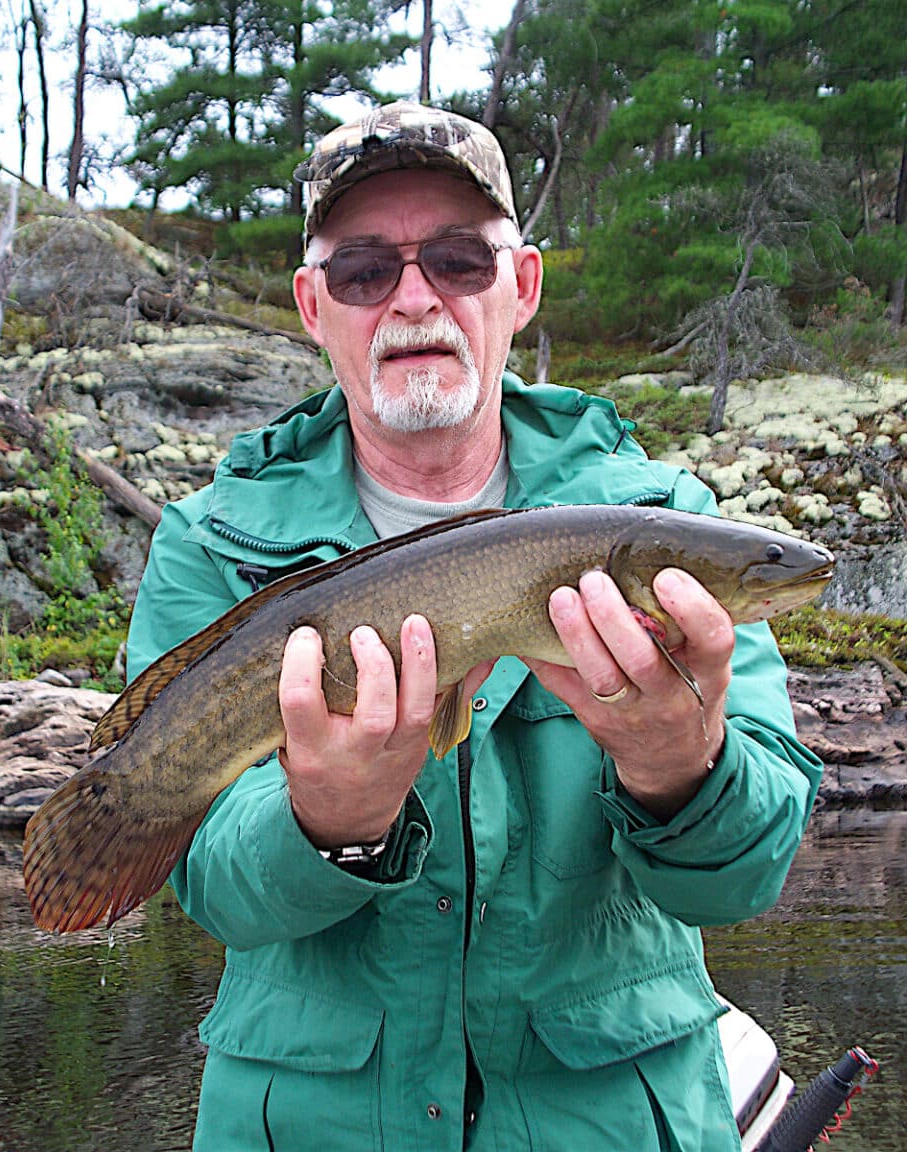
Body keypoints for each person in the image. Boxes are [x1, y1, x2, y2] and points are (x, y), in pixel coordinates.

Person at [124, 101, 822, 1151]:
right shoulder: (212, 543)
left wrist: (681, 766)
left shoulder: (667, 512)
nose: (414, 298)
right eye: (365, 271)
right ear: (313, 305)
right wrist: (328, 823)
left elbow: (745, 875)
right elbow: (218, 891)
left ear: (522, 287)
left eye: (459, 260)